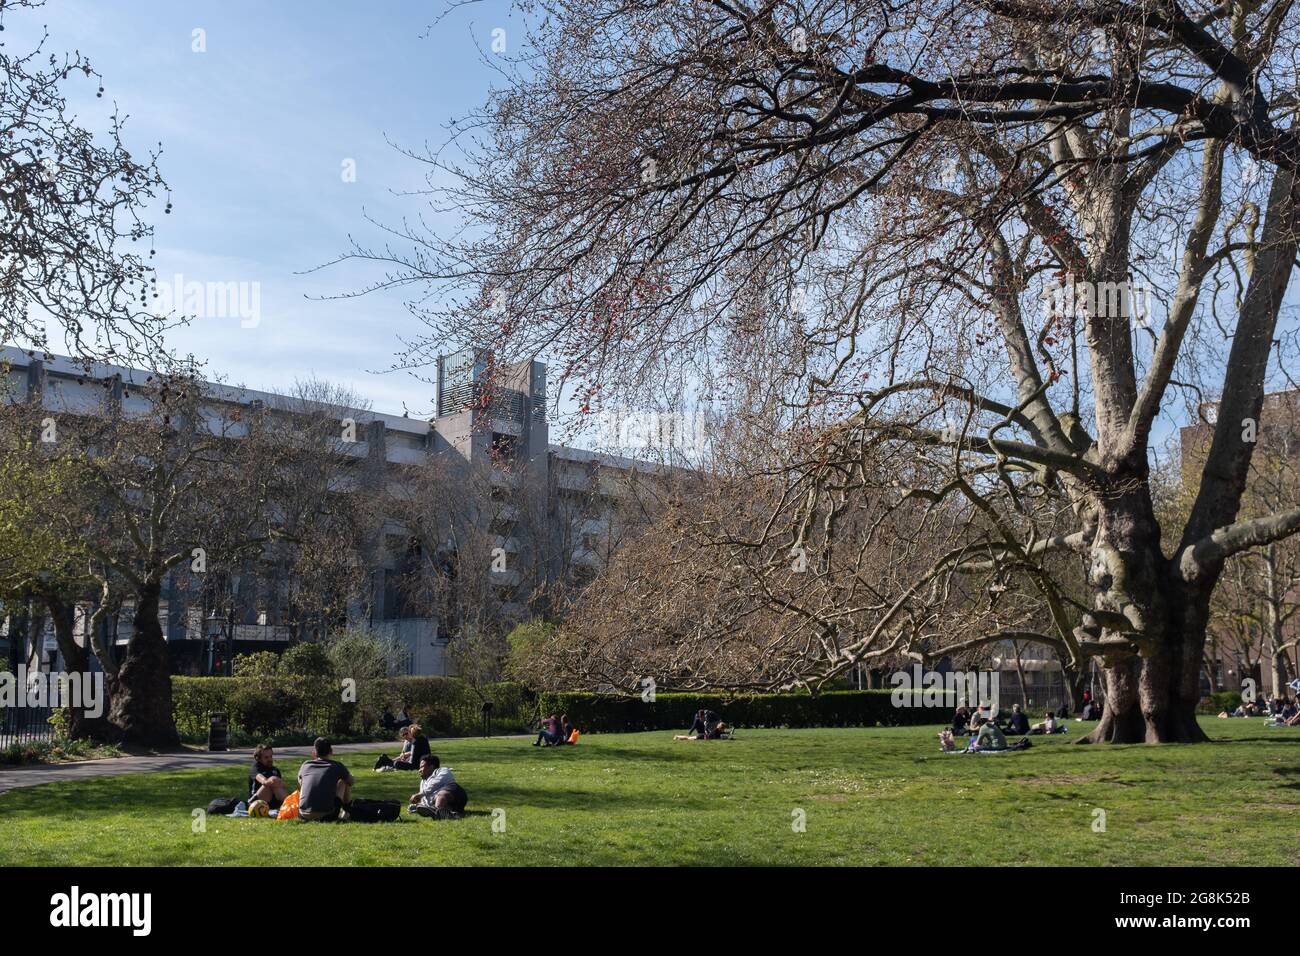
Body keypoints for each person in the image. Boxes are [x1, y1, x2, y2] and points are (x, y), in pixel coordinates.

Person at [298, 737, 354, 822]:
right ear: (331, 751)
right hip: (327, 815)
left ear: (315, 753)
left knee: (304, 782)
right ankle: (348, 811)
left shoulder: (305, 765)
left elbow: (301, 782)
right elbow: (351, 781)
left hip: (302, 814)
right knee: (344, 781)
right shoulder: (336, 766)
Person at [408, 753, 468, 819]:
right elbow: (426, 799)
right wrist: (418, 805)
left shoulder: (443, 771)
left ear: (431, 767)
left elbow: (436, 783)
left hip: (456, 796)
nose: (420, 770)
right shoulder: (423, 782)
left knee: (441, 794)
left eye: (422, 767)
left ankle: (436, 811)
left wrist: (420, 794)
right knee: (434, 799)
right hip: (445, 804)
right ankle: (448, 814)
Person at [248, 743, 288, 810]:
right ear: (259, 758)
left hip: (272, 801)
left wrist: (278, 783)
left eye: (271, 756)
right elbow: (264, 781)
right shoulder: (255, 768)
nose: (270, 759)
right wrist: (274, 780)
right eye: (266, 757)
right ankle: (291, 804)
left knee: (276, 786)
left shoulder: (275, 770)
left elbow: (283, 786)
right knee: (271, 781)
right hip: (256, 803)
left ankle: (291, 805)